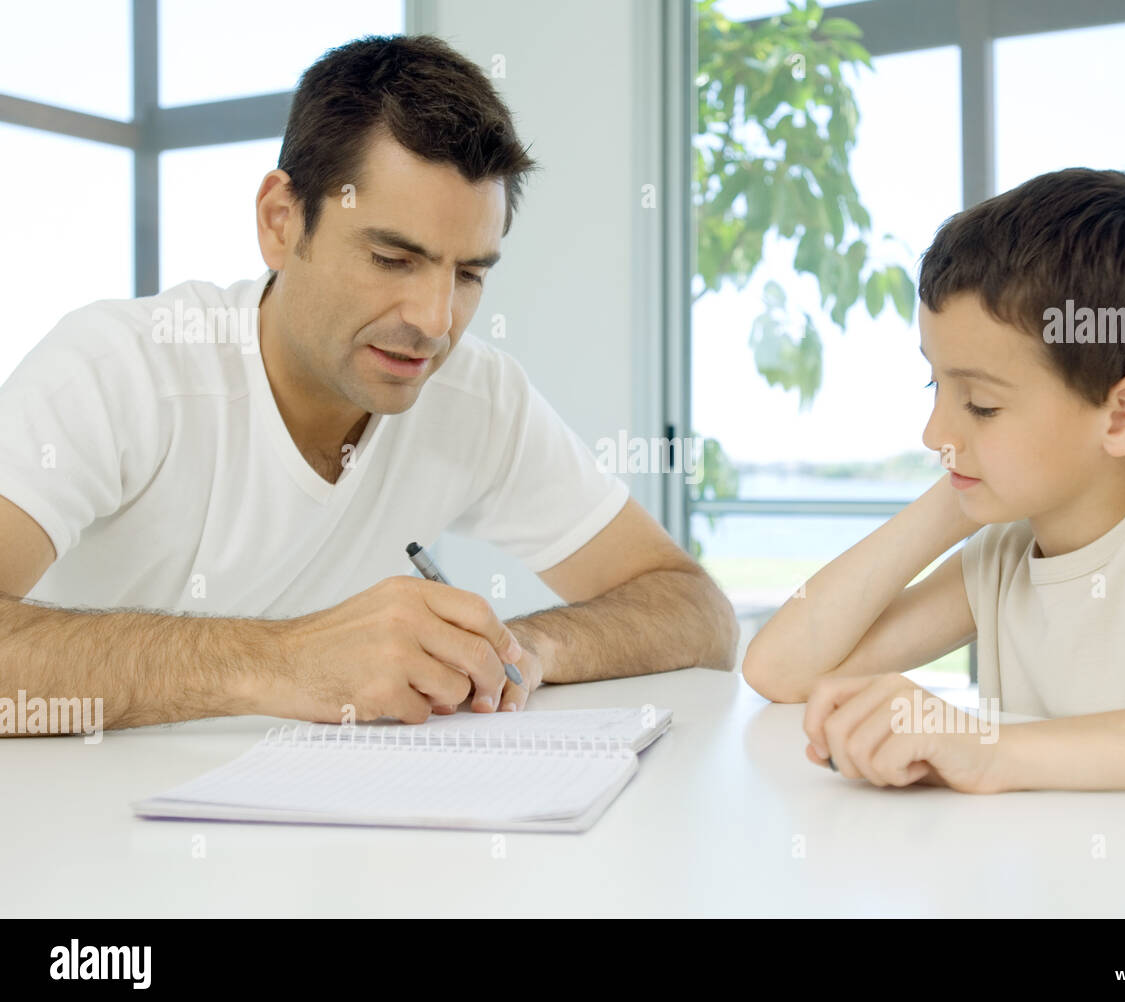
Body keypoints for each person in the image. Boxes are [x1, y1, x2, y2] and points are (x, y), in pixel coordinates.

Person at [0, 34, 737, 734]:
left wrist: (520, 648)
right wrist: (283, 662)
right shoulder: (119, 368)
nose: (435, 321)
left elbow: (695, 608)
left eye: (471, 273)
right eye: (392, 258)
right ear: (281, 221)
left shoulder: (476, 398)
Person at [743, 168, 1125, 793]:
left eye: (980, 403)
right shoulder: (1004, 555)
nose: (933, 432)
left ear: (1123, 417)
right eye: (937, 385)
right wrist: (959, 493)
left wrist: (996, 751)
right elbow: (780, 669)